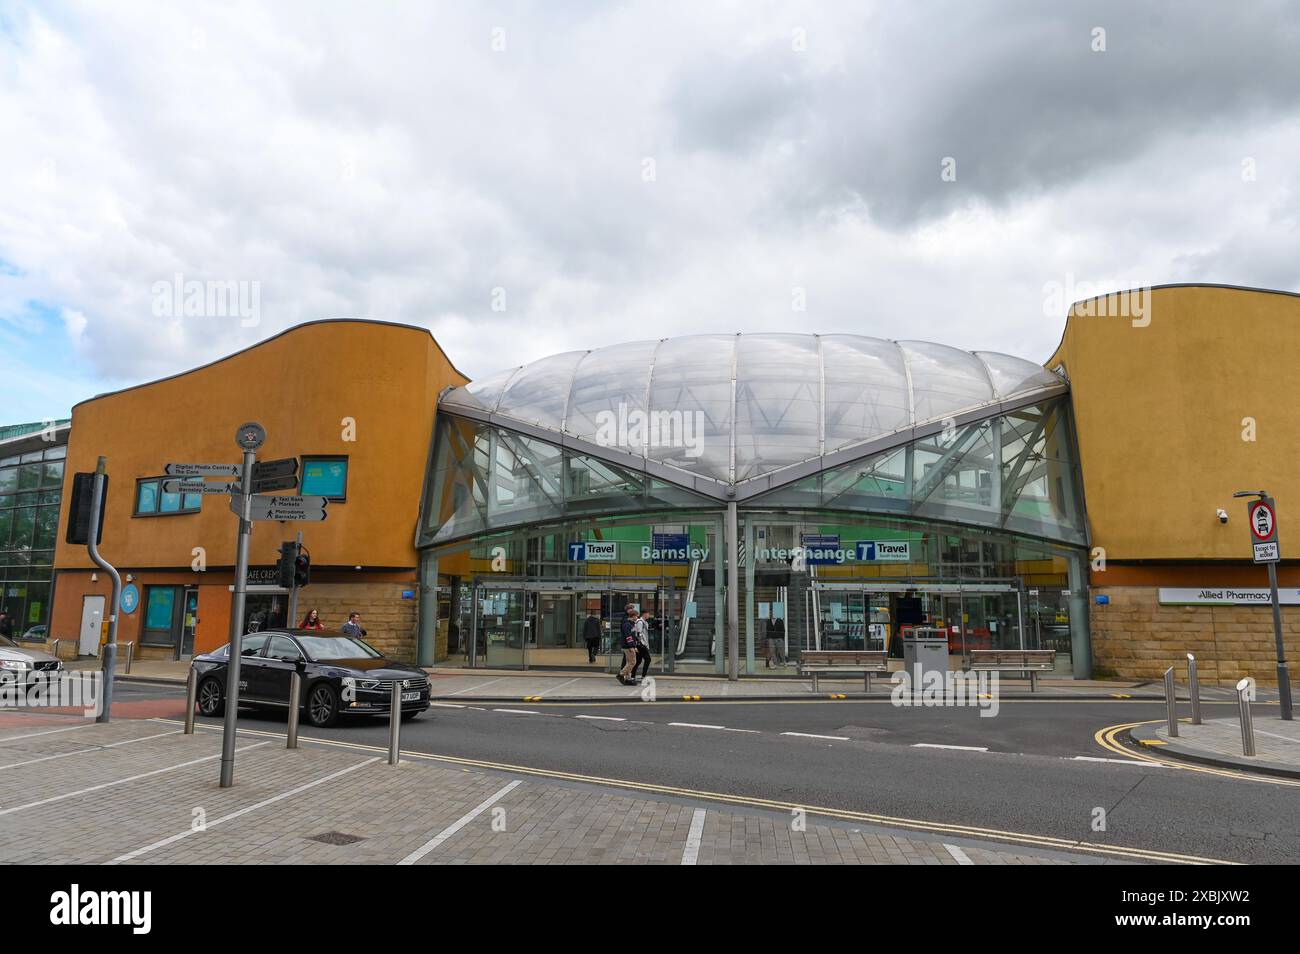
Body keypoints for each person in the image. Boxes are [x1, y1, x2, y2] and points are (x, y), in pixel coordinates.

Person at [617, 604, 639, 684]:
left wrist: (635, 644)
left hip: (629, 645)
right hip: (628, 646)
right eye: (636, 616)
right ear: (633, 616)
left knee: (629, 662)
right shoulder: (627, 624)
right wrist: (632, 646)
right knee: (632, 662)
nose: (637, 618)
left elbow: (632, 635)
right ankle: (621, 674)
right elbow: (628, 636)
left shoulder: (631, 623)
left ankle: (628, 678)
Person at [633, 609, 653, 680]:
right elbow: (638, 633)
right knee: (648, 659)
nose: (649, 615)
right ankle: (643, 675)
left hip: (643, 644)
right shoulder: (640, 622)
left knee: (638, 661)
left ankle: (633, 675)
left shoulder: (645, 623)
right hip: (641, 644)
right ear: (644, 614)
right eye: (648, 614)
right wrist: (641, 643)